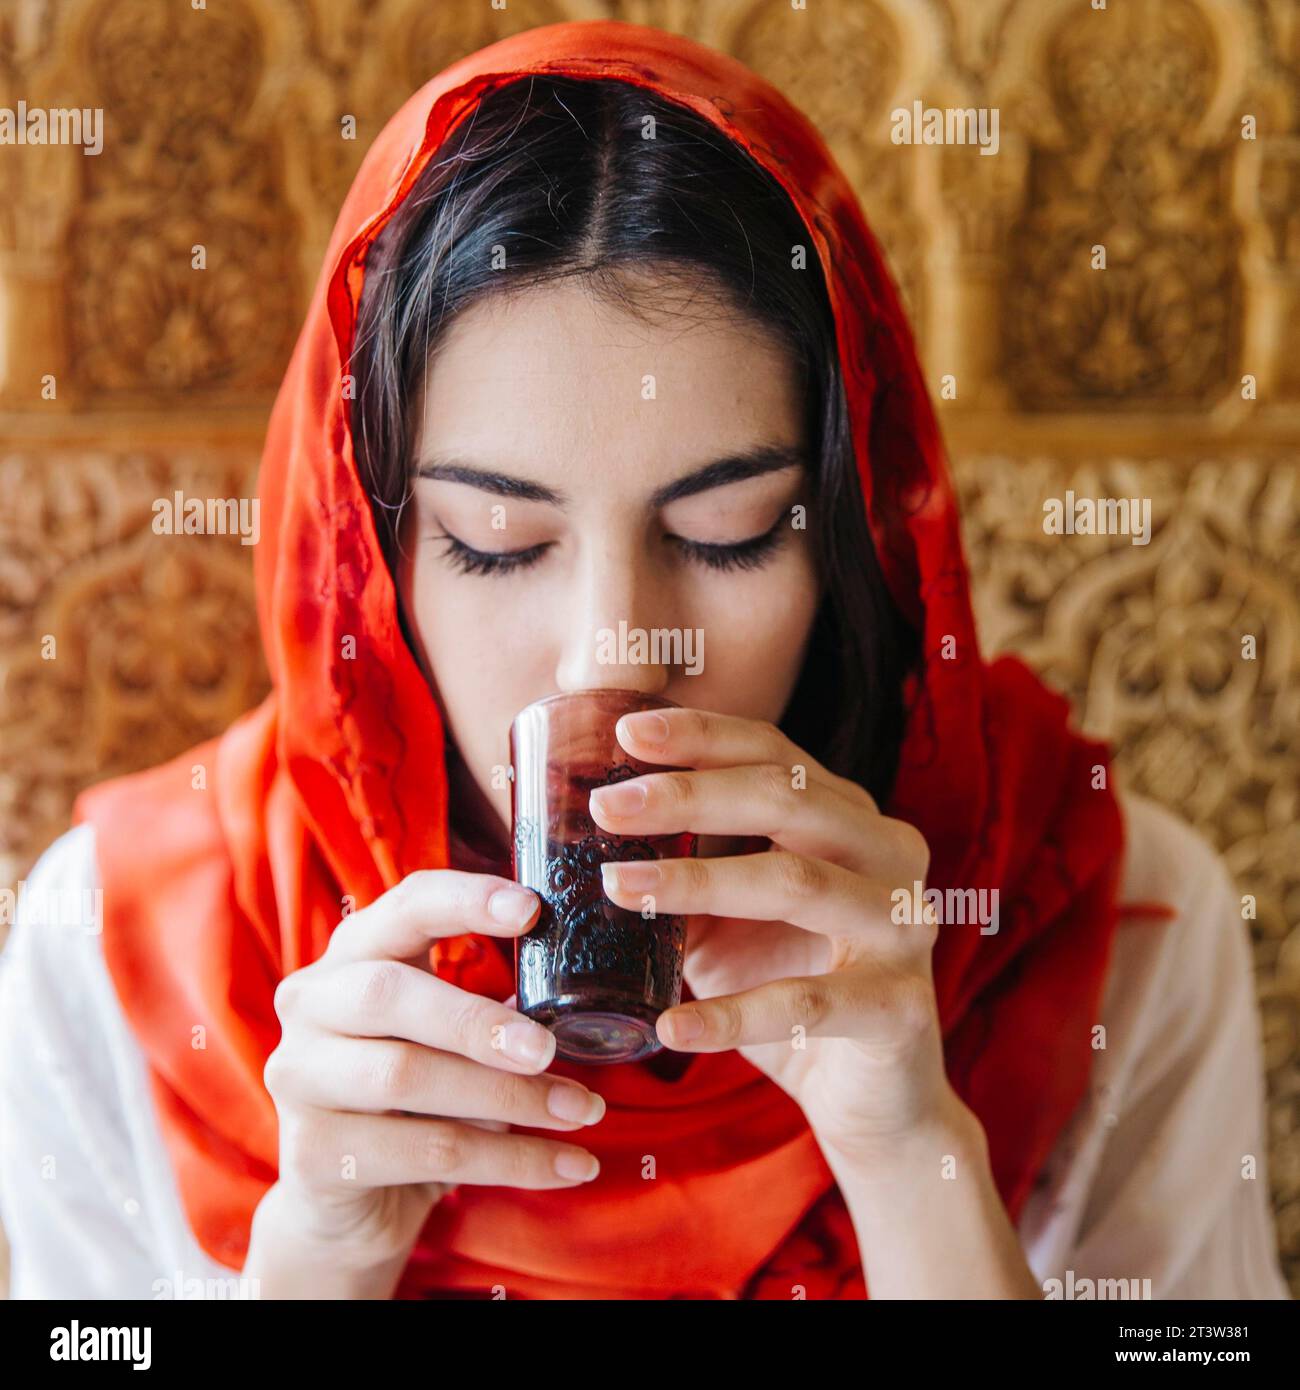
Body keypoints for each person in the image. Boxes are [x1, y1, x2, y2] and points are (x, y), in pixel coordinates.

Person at [0, 21, 1289, 1301]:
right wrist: (320, 1259)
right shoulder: (126, 955)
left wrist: (912, 1158)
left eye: (723, 535)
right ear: (369, 561)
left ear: (848, 538)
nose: (615, 658)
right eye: (498, 544)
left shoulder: (1101, 921)